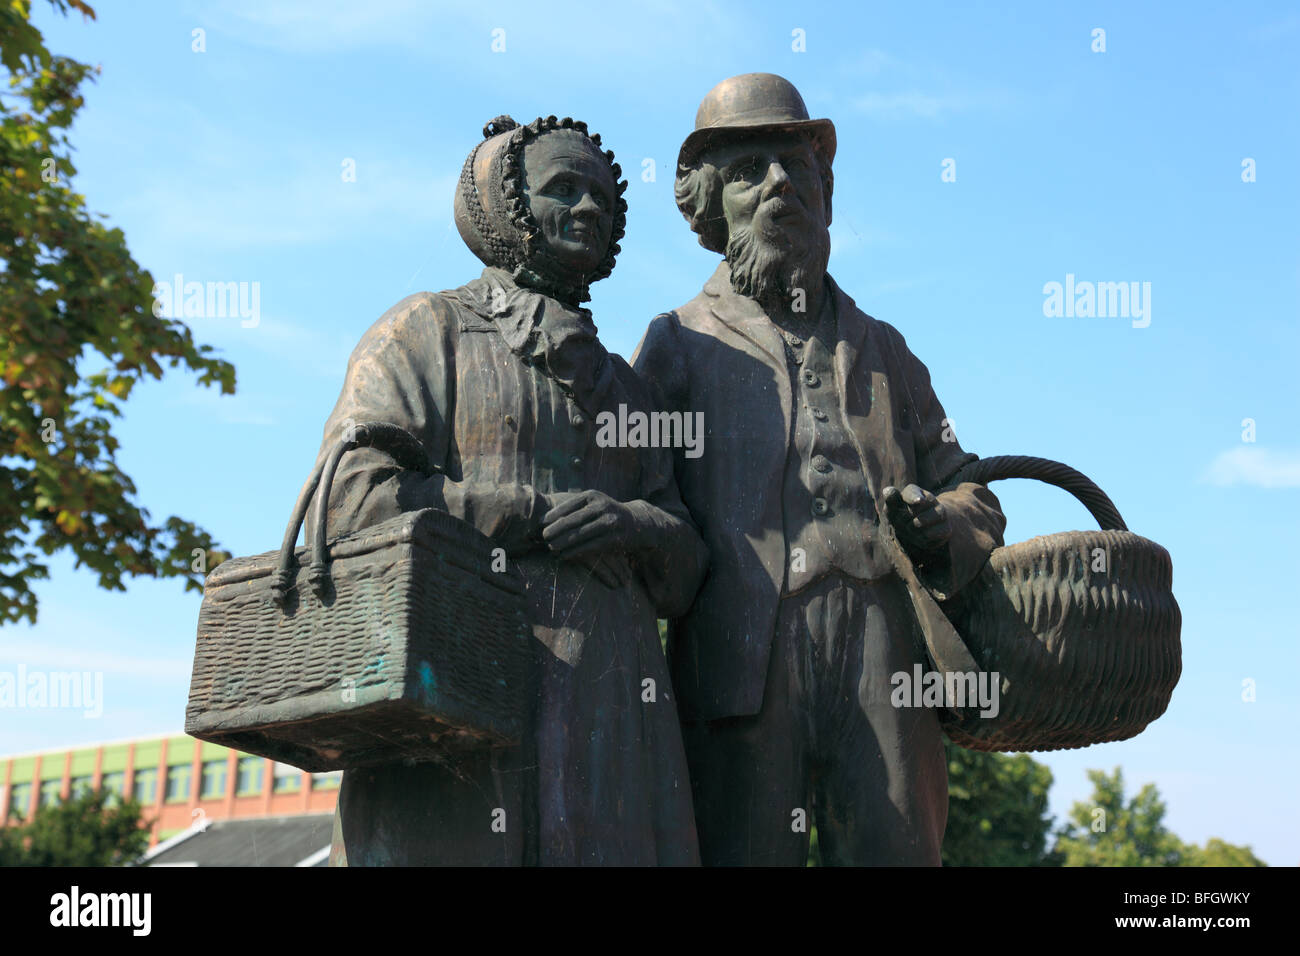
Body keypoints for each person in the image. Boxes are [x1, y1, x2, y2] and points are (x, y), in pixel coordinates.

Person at [309, 115, 706, 865]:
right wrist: (528, 514)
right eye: (563, 190)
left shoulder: (629, 388)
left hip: (613, 719)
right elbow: (353, 500)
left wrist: (631, 525)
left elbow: (686, 567)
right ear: (505, 205)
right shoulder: (425, 330)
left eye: (601, 198)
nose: (588, 209)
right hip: (459, 692)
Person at [632, 74, 1007, 865]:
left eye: (796, 167)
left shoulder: (887, 350)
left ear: (825, 191)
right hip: (736, 665)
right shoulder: (676, 345)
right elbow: (644, 502)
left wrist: (947, 523)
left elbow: (971, 486)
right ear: (707, 205)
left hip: (887, 657)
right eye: (748, 169)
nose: (778, 184)